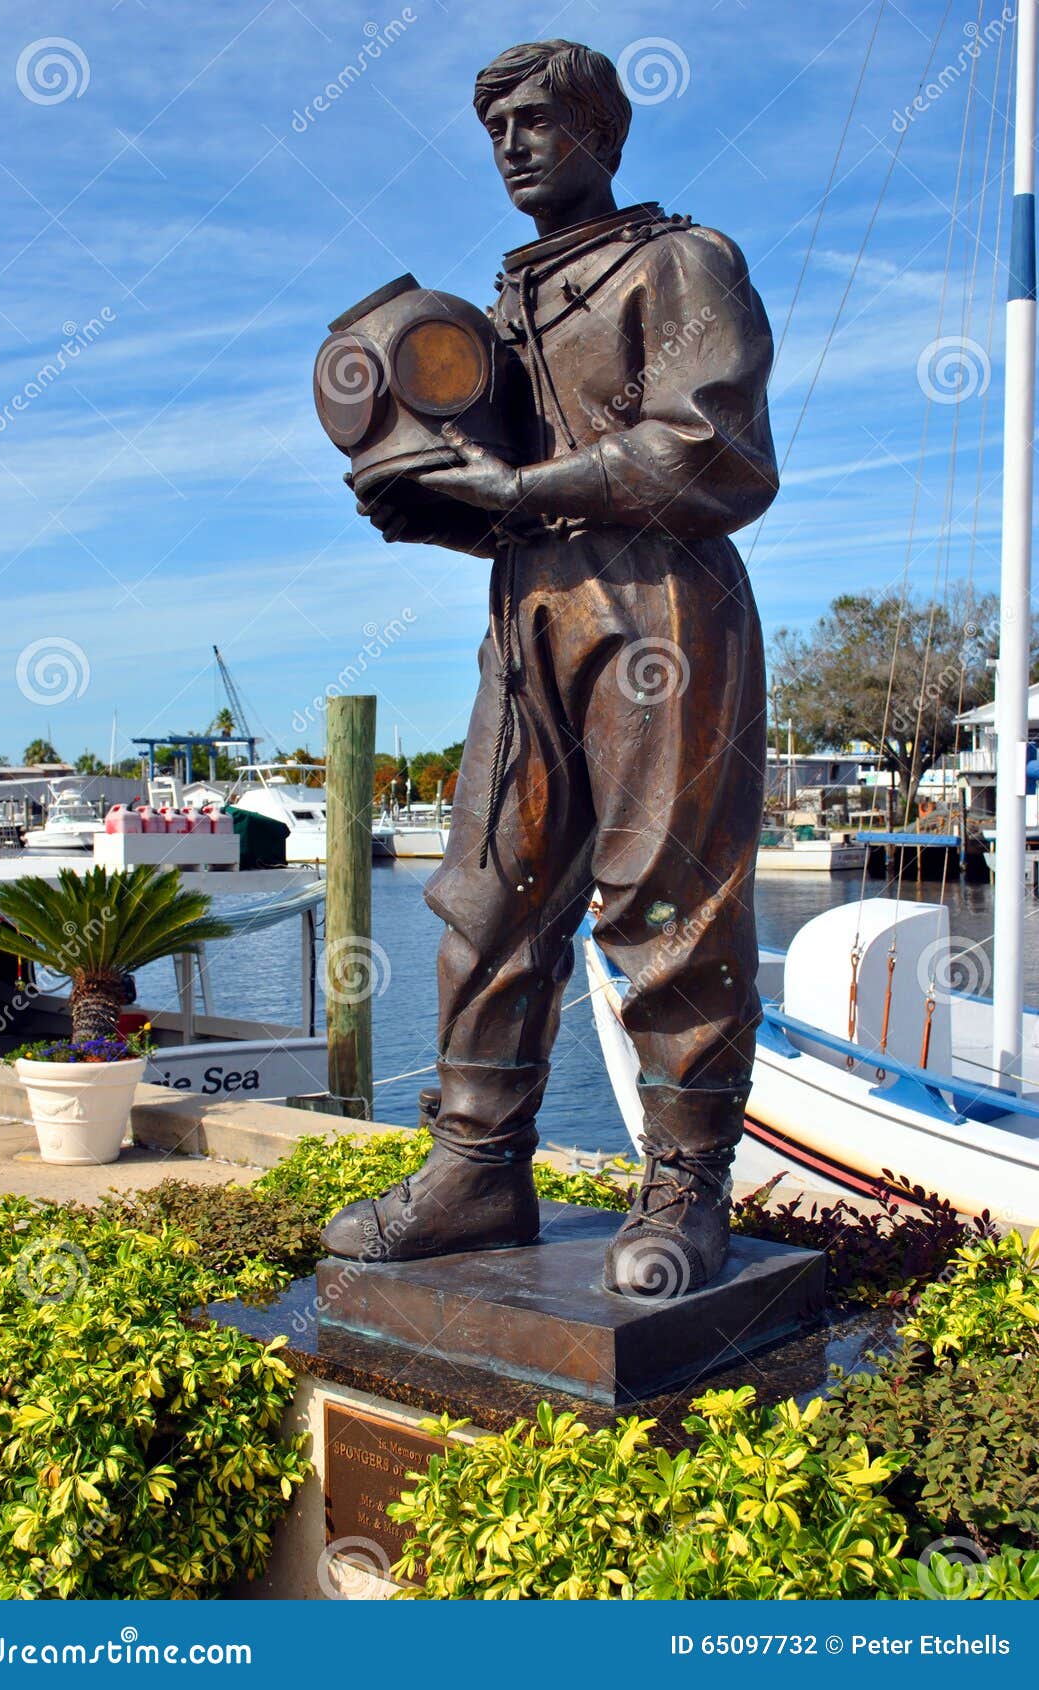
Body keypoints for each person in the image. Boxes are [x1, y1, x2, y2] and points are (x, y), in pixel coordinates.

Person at [323, 39, 778, 1297]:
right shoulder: (518, 302)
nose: (515, 144)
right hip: (529, 616)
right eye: (497, 130)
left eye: (539, 121)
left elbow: (715, 449)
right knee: (486, 888)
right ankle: (476, 1169)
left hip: (660, 614)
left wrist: (516, 488)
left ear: (602, 134)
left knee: (665, 896)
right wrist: (445, 508)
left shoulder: (681, 262)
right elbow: (519, 495)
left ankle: (685, 1183)